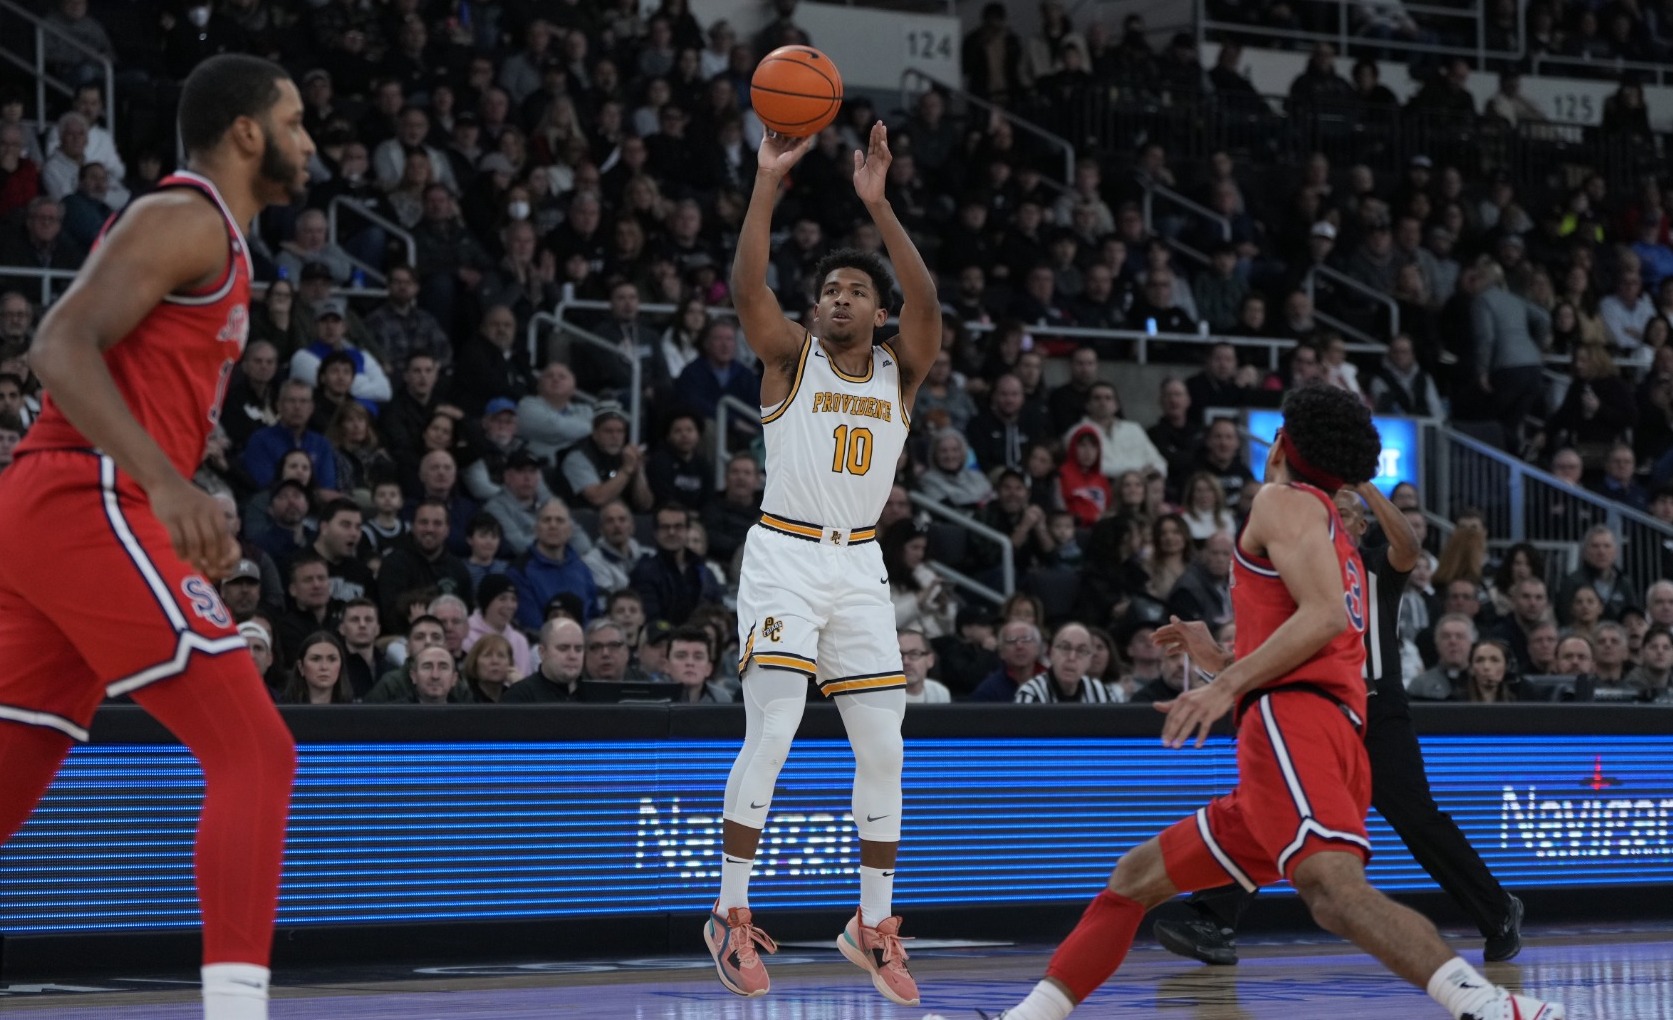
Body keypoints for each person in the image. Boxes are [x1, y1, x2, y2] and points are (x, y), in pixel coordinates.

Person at [959, 386, 1560, 1020]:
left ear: (1279, 443)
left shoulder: (1285, 501)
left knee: (1333, 894)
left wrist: (1222, 684)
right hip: (1323, 729)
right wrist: (1218, 660)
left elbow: (1323, 621)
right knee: (1132, 881)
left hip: (1293, 724)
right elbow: (1309, 644)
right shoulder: (1337, 548)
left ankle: (1493, 1007)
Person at [0, 55, 311, 1020]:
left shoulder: (223, 243)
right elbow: (56, 344)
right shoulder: (182, 216)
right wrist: (169, 482)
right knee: (257, 753)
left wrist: (178, 474)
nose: (308, 140)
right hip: (84, 496)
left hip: (58, 512)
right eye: (294, 122)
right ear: (248, 131)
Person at [707, 121, 939, 1007]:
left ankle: (869, 926)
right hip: (783, 557)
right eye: (828, 290)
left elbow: (928, 306)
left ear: (877, 315)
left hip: (858, 569)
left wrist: (878, 206)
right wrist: (767, 185)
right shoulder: (788, 358)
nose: (839, 298)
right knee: (773, 729)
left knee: (883, 745)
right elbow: (744, 287)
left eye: (856, 291)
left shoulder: (899, 371)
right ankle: (730, 913)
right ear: (813, 311)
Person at [1153, 479, 1525, 970]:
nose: (1331, 522)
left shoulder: (1375, 568)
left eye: (1342, 515)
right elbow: (1263, 661)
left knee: (1415, 819)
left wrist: (1365, 486)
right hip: (1316, 713)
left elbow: (1409, 546)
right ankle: (1212, 916)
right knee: (1276, 813)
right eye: (1325, 513)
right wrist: (1216, 659)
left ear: (1361, 525)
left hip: (1377, 712)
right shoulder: (1292, 580)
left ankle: (1498, 909)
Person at [1015, 622, 1125, 703]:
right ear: (1052, 654)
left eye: (1081, 651)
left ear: (1089, 660)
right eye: (1065, 648)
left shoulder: (1100, 692)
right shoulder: (1031, 694)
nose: (1072, 657)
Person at [897, 628, 951, 704]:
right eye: (899, 655)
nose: (905, 661)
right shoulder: (880, 695)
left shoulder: (939, 693)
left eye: (914, 654)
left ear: (930, 660)